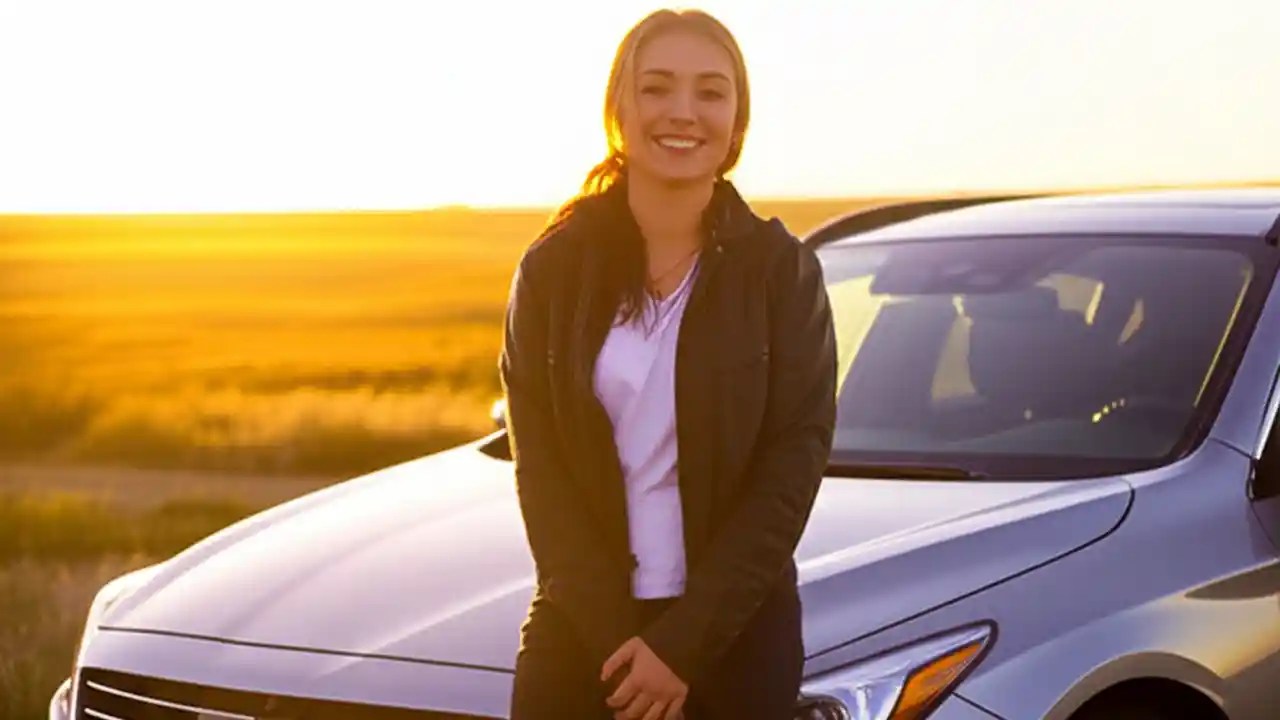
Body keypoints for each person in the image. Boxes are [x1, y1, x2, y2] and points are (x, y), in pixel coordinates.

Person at [498, 8, 837, 720]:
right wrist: (621, 643)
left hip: (737, 642)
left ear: (737, 118)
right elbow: (543, 474)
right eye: (657, 88)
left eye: (711, 92)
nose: (683, 112)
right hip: (582, 631)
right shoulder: (553, 271)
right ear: (619, 108)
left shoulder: (782, 273)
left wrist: (682, 647)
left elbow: (791, 467)